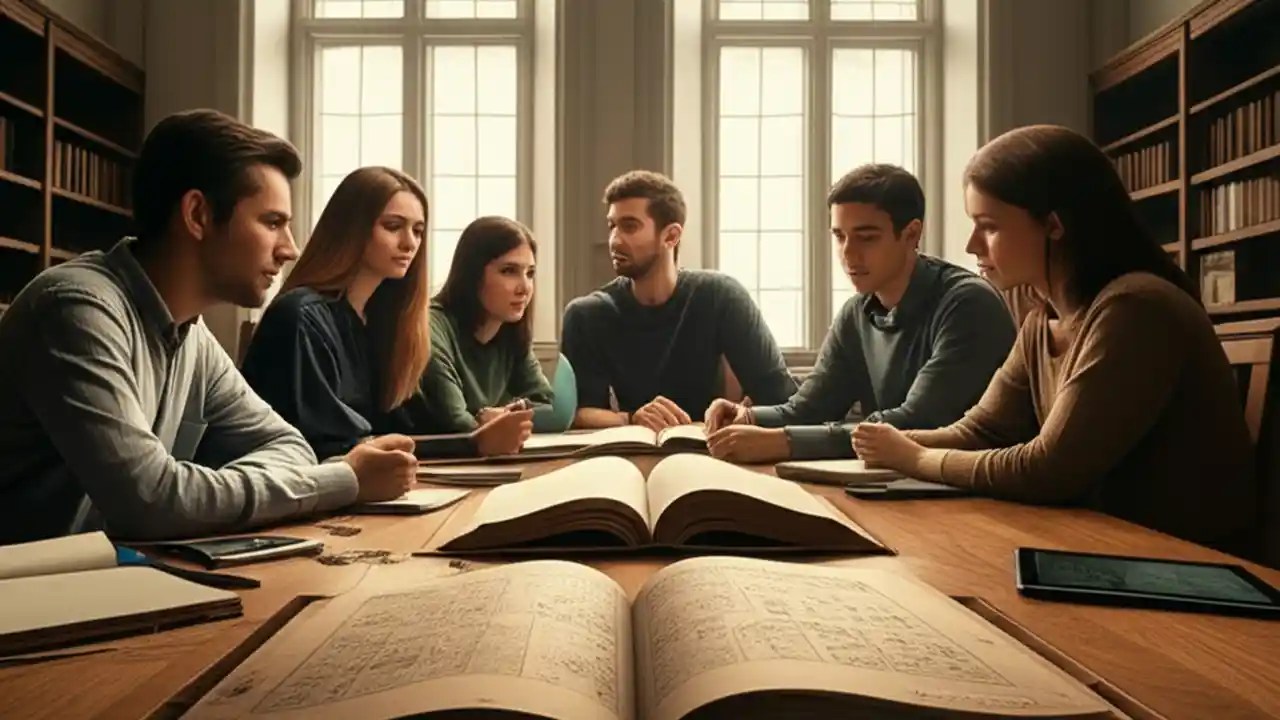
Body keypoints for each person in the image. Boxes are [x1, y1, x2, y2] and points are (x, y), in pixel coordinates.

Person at [0, 109, 418, 544]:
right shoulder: (77, 310)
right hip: (25, 598)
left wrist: (199, 494)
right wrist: (340, 480)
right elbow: (152, 501)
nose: (290, 249)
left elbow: (291, 448)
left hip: (106, 581)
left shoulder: (190, 335)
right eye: (272, 222)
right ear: (198, 215)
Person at [852, 125, 1256, 553]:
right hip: (1099, 546)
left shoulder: (1136, 309)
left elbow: (1047, 469)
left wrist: (915, 459)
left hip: (1182, 568)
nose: (972, 245)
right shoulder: (1043, 317)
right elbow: (985, 430)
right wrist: (896, 443)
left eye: (987, 226)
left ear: (1054, 226)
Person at [704, 164, 1016, 463]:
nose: (848, 254)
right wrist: (748, 416)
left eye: (866, 237)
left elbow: (917, 423)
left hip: (977, 495)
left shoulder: (967, 304)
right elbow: (811, 408)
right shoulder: (856, 312)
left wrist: (784, 442)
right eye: (840, 236)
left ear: (911, 234)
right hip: (897, 482)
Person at [241, 167, 532, 460]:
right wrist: (473, 445)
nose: (410, 243)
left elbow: (401, 434)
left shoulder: (383, 322)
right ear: (352, 228)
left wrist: (479, 433)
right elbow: (336, 448)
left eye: (418, 230)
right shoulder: (303, 317)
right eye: (393, 226)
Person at [560, 170, 797, 430]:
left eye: (629, 227)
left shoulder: (721, 296)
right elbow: (578, 414)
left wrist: (740, 414)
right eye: (612, 226)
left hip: (711, 448)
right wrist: (633, 418)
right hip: (630, 451)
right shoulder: (586, 314)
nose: (615, 240)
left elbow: (780, 396)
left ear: (671, 236)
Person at [410, 216, 560, 433]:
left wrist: (508, 413)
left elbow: (551, 411)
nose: (525, 287)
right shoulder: (430, 327)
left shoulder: (511, 333)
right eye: (509, 271)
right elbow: (456, 421)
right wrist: (490, 419)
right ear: (472, 274)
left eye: (530, 273)